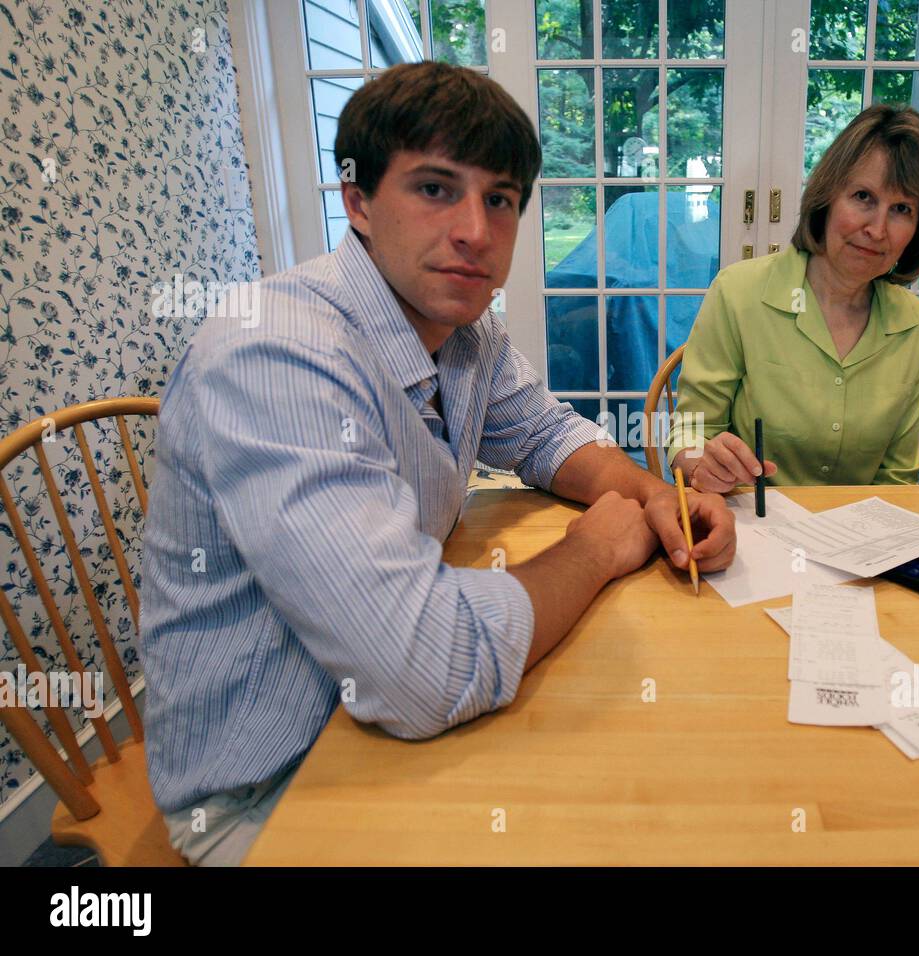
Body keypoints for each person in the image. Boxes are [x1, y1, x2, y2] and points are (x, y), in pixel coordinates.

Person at [139, 62, 736, 865]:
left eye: (499, 199)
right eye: (434, 188)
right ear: (357, 201)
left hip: (376, 727)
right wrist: (599, 547)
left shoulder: (465, 328)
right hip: (271, 790)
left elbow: (545, 435)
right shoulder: (276, 352)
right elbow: (425, 670)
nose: (475, 232)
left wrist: (653, 496)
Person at [666, 105, 919, 490]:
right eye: (863, 197)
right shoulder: (738, 292)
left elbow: (898, 479)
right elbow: (692, 432)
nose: (877, 229)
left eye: (901, 209)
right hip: (748, 526)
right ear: (827, 196)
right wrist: (700, 462)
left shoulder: (917, 327)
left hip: (857, 539)